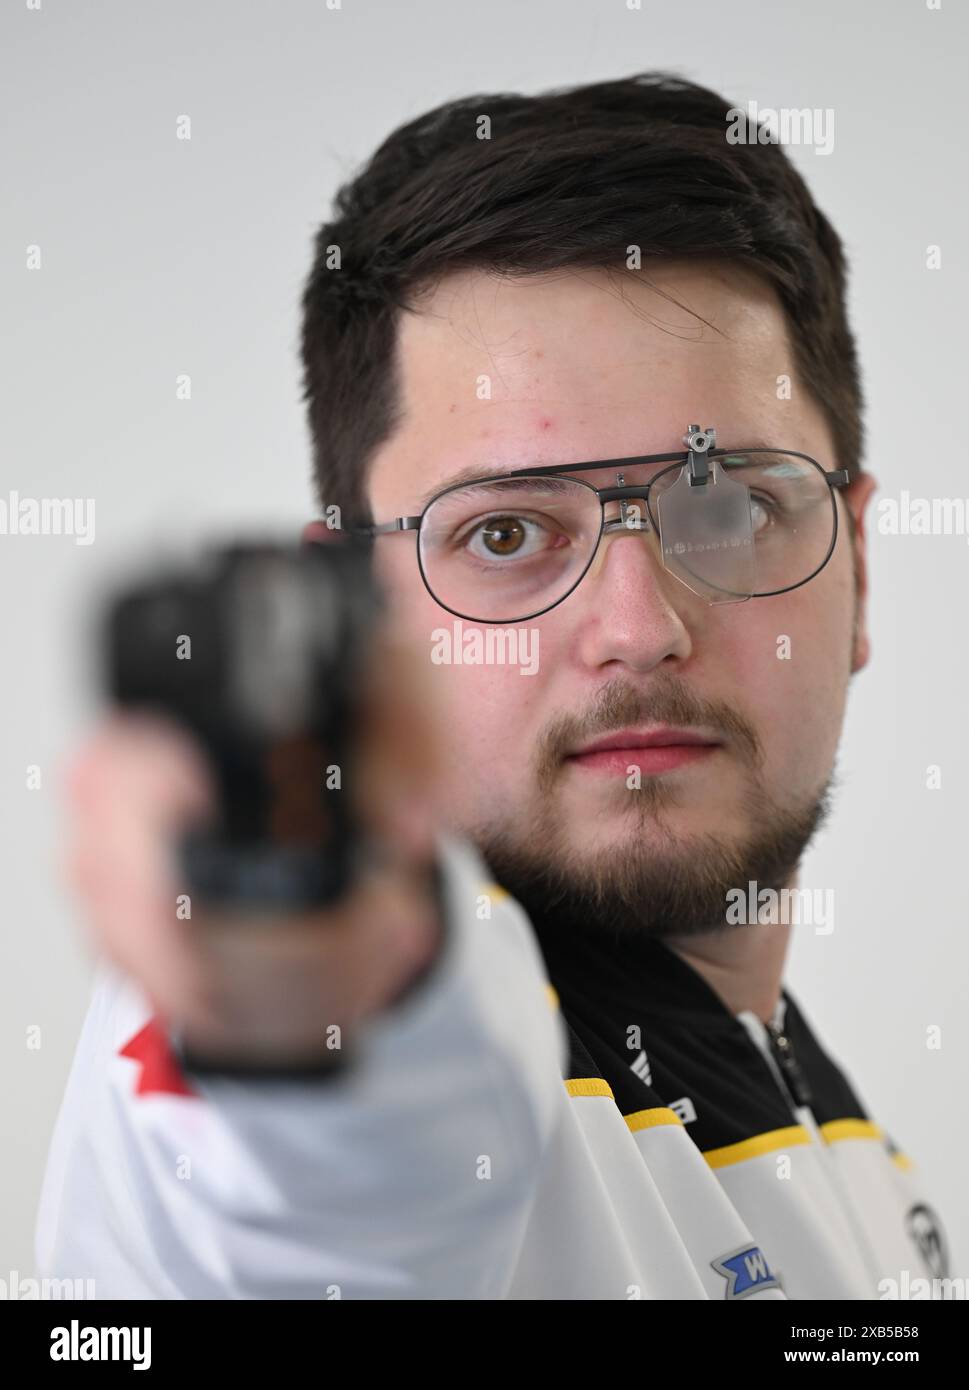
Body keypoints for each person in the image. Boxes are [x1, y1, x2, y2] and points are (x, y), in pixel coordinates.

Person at [36, 71, 949, 1300]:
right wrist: (307, 977)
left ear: (862, 569)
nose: (639, 629)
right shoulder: (406, 1033)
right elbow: (341, 1182)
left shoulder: (858, 1150)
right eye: (508, 534)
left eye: (729, 505)